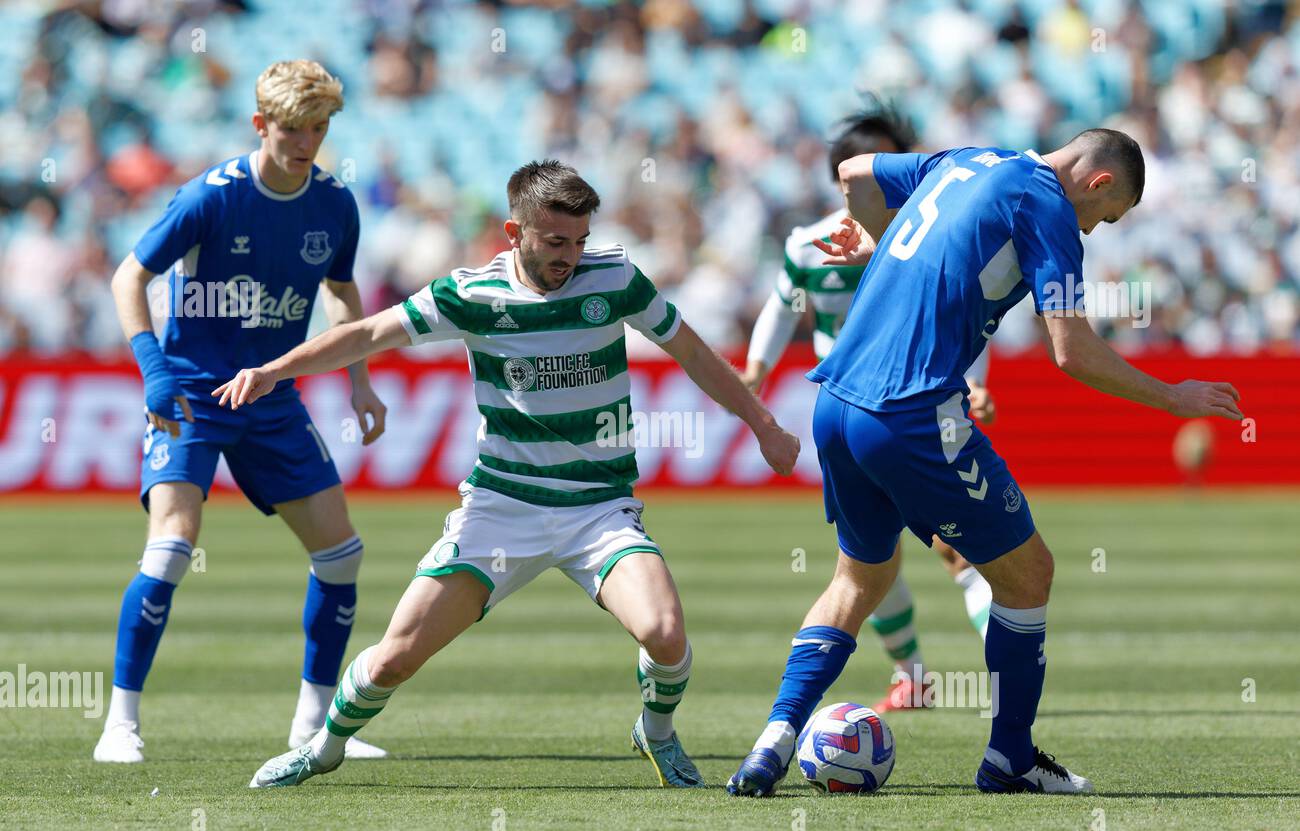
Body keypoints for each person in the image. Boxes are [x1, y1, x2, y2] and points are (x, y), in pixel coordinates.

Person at [214, 159, 802, 789]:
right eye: (554, 242)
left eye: (579, 241)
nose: (570, 257)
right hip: (501, 508)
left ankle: (655, 732)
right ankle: (323, 748)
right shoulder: (473, 295)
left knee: (664, 633)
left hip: (597, 508)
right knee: (393, 659)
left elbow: (690, 351)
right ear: (513, 231)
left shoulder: (616, 278)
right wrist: (276, 371)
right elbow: (365, 334)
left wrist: (763, 423)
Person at [728, 129, 1241, 796]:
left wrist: (876, 234)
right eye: (1104, 217)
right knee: (1029, 575)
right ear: (1099, 183)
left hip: (835, 404)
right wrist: (1171, 396)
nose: (1096, 228)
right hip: (911, 412)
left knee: (859, 582)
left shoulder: (972, 158)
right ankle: (1010, 760)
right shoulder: (1050, 209)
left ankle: (773, 740)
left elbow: (854, 173)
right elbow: (1072, 350)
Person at [94, 61, 390, 763]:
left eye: (318, 128)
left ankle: (313, 727)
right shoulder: (210, 197)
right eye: (292, 128)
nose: (306, 141)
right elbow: (129, 276)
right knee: (172, 545)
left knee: (342, 553)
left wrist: (359, 378)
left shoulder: (335, 204)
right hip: (193, 394)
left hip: (270, 395)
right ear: (261, 124)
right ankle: (120, 725)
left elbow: (343, 294)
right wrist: (153, 369)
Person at [742, 98, 994, 713]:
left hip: (922, 403)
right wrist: (754, 372)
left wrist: (976, 383)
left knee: (956, 548)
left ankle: (1002, 675)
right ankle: (914, 676)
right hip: (851, 416)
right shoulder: (810, 245)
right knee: (873, 559)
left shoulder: (929, 242)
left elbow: (964, 315)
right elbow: (780, 310)